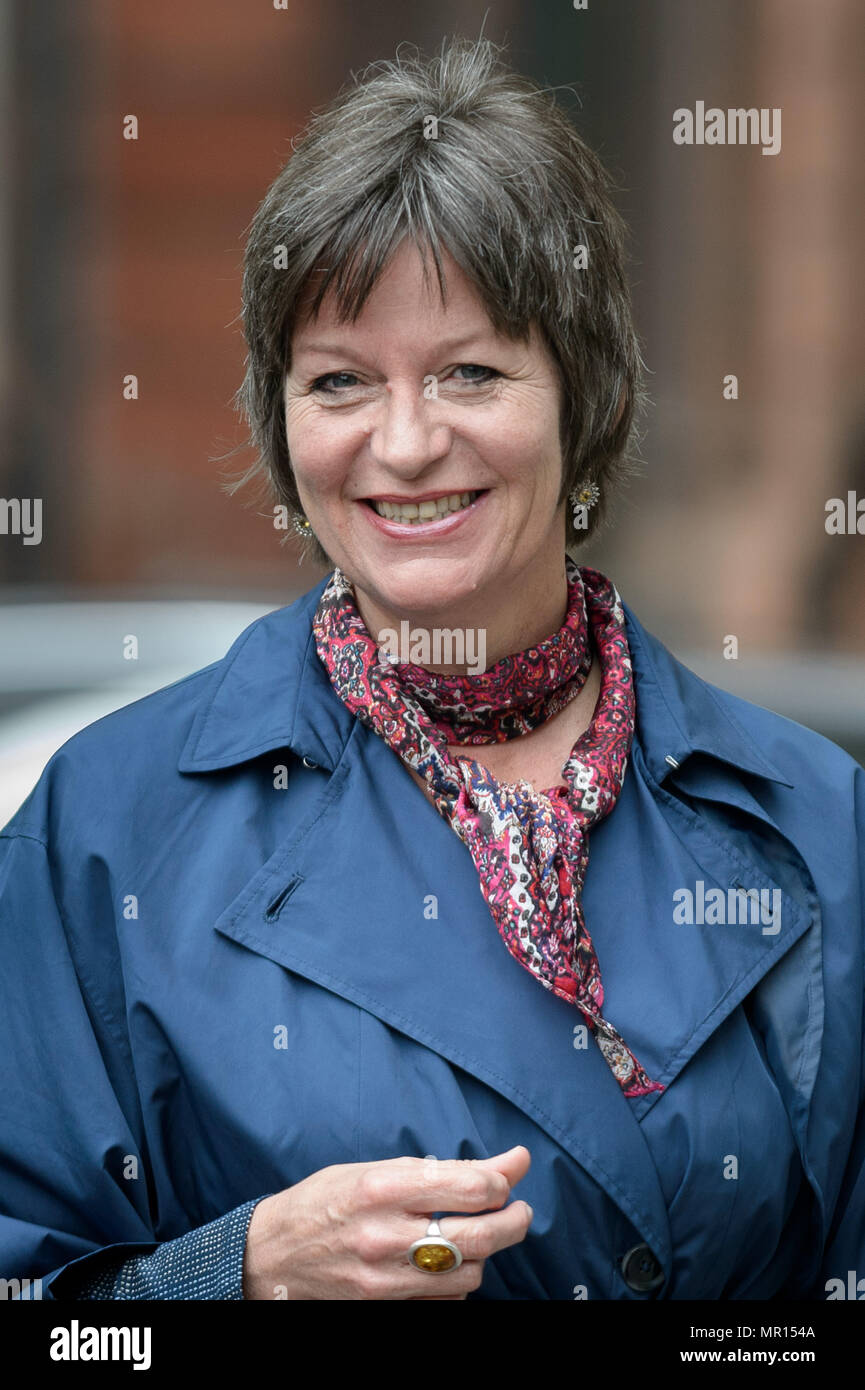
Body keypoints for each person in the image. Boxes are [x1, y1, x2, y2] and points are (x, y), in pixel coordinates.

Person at [1, 36, 862, 1303]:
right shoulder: (108, 831)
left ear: (586, 395)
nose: (405, 444)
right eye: (340, 380)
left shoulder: (813, 822)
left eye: (470, 371)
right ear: (280, 421)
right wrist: (225, 1277)